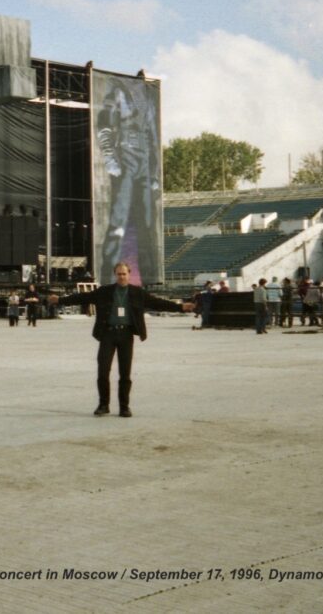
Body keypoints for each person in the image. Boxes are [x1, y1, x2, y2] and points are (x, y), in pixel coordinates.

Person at [51, 262, 193, 418]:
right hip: (108, 334)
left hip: (126, 335)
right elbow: (82, 297)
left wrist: (180, 307)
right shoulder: (104, 292)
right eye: (119, 274)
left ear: (129, 274)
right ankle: (103, 405)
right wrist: (60, 300)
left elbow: (158, 303)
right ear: (115, 275)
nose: (121, 277)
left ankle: (124, 407)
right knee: (103, 372)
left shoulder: (137, 293)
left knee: (125, 373)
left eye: (124, 274)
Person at [96, 80, 161, 284]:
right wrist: (109, 156)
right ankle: (108, 278)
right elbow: (104, 123)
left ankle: (148, 281)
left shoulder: (149, 96)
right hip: (125, 155)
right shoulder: (118, 89)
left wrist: (155, 171)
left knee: (147, 226)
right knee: (118, 223)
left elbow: (153, 136)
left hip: (145, 159)